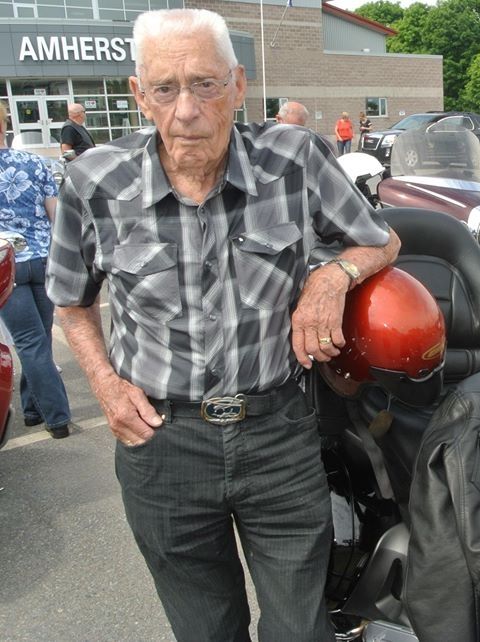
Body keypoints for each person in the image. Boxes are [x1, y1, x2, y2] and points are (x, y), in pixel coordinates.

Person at [45, 9, 400, 641]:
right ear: (139, 95)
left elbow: (378, 240)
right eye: (165, 88)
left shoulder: (294, 159)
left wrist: (330, 278)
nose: (186, 109)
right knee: (206, 630)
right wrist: (103, 381)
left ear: (238, 86)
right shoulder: (93, 181)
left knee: (301, 627)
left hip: (279, 436)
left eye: (205, 84)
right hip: (160, 443)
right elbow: (72, 303)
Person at [0, 102, 73, 439]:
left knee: (29, 343)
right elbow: (56, 216)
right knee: (39, 339)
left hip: (5, 264)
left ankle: (57, 418)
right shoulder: (36, 164)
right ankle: (32, 410)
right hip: (42, 259)